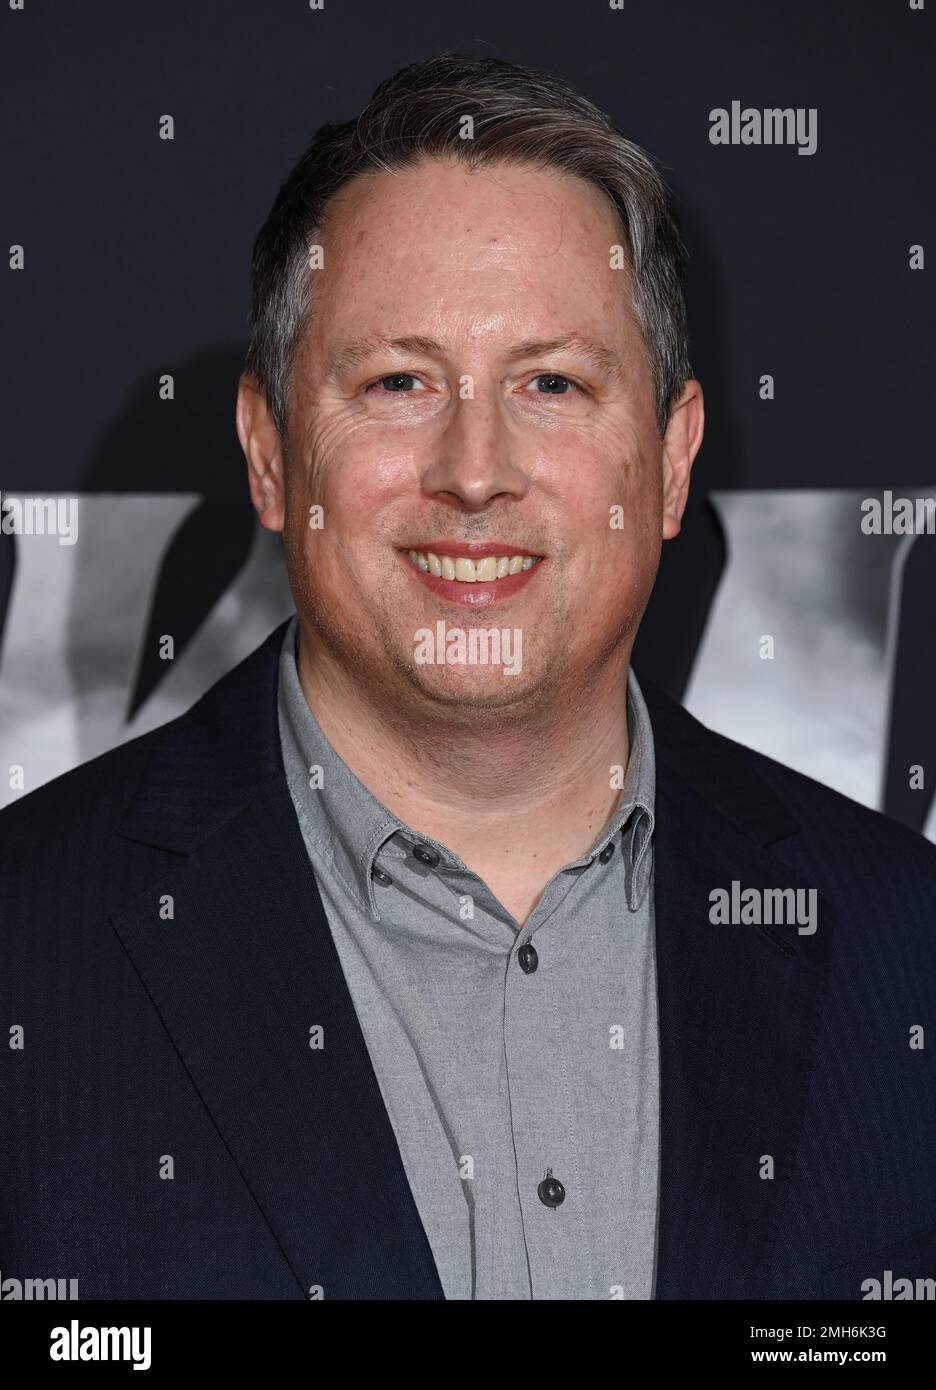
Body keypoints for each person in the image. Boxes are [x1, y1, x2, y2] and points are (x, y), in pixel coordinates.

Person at [2, 54, 934, 1301]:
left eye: (552, 383)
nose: (475, 469)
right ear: (270, 454)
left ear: (669, 461)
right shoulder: (26, 949)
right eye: (399, 382)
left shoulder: (904, 947)